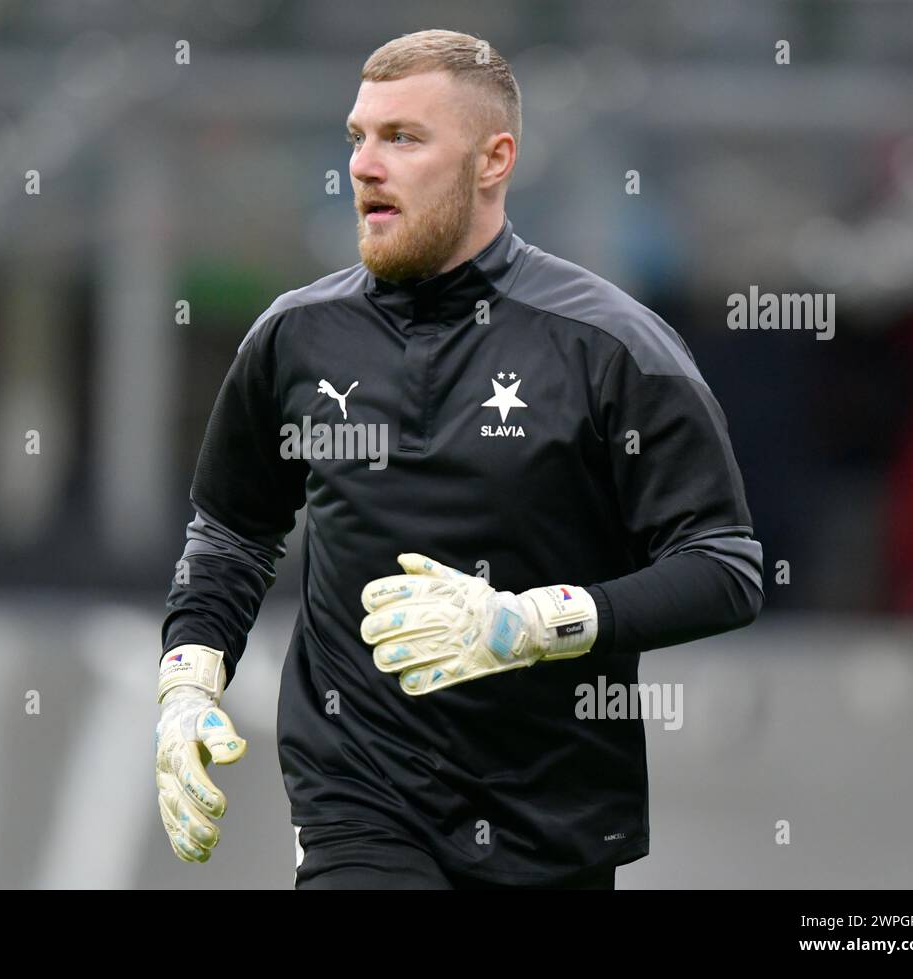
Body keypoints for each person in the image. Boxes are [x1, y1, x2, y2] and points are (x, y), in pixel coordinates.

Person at [156, 28, 763, 889]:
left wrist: (526, 625)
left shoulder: (613, 347)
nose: (366, 164)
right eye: (358, 138)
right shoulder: (295, 338)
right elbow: (230, 532)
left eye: (403, 138)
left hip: (554, 818)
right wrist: (186, 684)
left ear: (493, 159)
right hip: (357, 803)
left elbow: (725, 568)